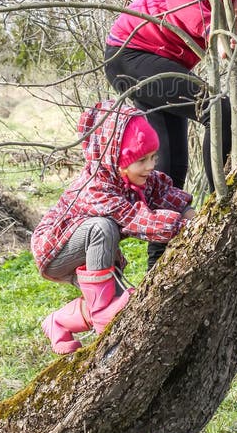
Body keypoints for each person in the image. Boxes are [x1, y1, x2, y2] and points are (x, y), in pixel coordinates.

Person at [104, 0, 237, 267]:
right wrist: (216, 34)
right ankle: (224, 205)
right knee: (217, 109)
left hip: (151, 62)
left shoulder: (228, 6)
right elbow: (184, 8)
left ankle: (158, 259)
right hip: (129, 56)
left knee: (171, 167)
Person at [31, 99, 195, 354]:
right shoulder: (96, 187)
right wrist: (181, 227)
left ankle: (59, 321)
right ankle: (100, 315)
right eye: (142, 160)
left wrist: (190, 214)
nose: (151, 166)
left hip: (95, 256)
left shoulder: (141, 178)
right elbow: (135, 220)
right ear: (115, 158)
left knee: (127, 306)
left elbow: (167, 194)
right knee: (102, 227)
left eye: (154, 157)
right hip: (55, 250)